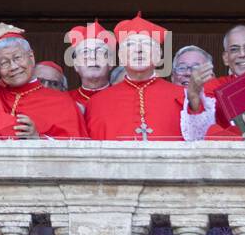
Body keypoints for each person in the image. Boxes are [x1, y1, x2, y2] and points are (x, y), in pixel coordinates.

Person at [84, 12, 214, 141]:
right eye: (130, 45)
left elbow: (202, 140)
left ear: (158, 56)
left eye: (146, 44)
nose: (139, 49)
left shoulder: (184, 97)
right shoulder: (97, 103)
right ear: (121, 57)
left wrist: (194, 103)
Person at [0, 23, 89, 139]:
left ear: (31, 57)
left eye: (17, 58)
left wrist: (38, 139)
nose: (13, 67)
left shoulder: (62, 102)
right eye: (4, 63)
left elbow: (79, 151)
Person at [67, 21, 116, 110]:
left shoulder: (124, 98)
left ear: (111, 62)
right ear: (76, 65)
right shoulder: (65, 100)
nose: (93, 57)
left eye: (100, 52)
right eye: (85, 52)